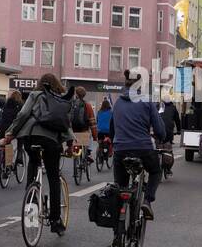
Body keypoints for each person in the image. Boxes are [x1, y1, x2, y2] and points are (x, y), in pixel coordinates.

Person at [2, 73, 74, 236]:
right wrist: (70, 144)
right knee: (53, 178)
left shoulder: (35, 95)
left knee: (33, 164)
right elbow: (66, 124)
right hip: (51, 141)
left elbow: (23, 114)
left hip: (30, 135)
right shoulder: (61, 99)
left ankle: (31, 206)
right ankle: (55, 221)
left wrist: (10, 132)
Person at [108, 70, 166, 220]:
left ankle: (117, 234)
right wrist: (161, 137)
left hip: (120, 149)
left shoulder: (118, 102)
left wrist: (115, 143)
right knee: (155, 172)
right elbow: (159, 129)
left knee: (120, 188)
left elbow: (112, 128)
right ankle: (147, 200)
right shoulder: (146, 101)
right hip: (143, 148)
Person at [69, 85, 95, 161]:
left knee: (76, 148)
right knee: (88, 137)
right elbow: (92, 123)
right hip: (84, 131)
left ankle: (76, 165)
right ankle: (88, 154)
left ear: (75, 94)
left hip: (73, 132)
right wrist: (95, 136)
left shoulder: (71, 104)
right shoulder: (88, 105)